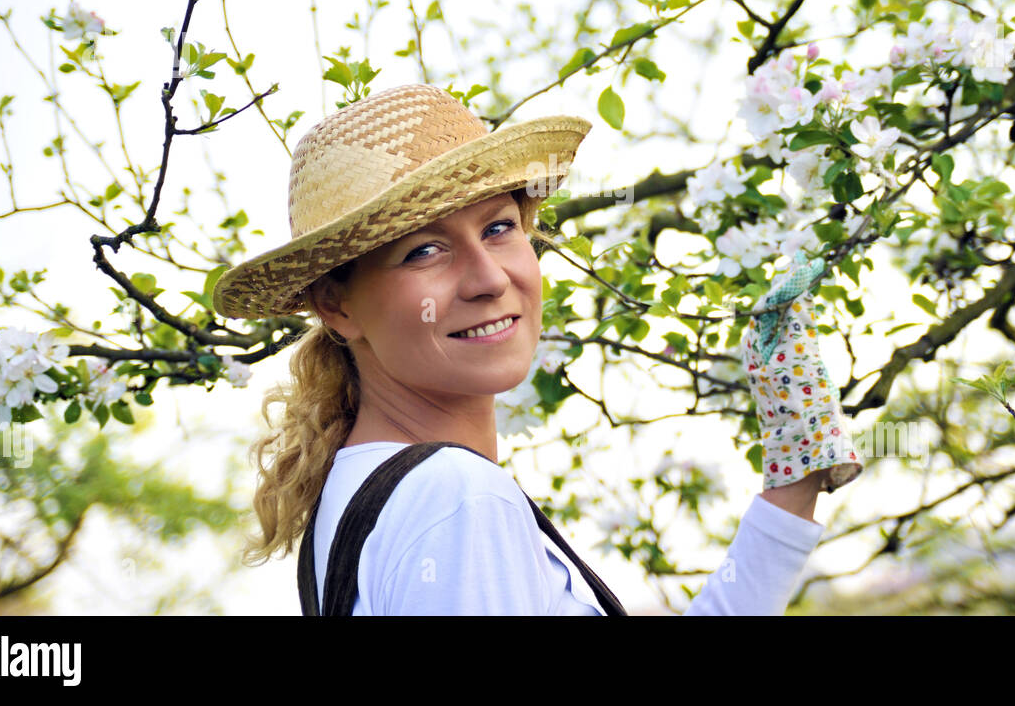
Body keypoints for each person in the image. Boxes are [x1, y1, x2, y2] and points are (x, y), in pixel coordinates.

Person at [218, 82, 862, 615]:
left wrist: (793, 480)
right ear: (337, 305)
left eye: (498, 228)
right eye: (424, 250)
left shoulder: (365, 496)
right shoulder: (457, 500)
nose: (490, 278)